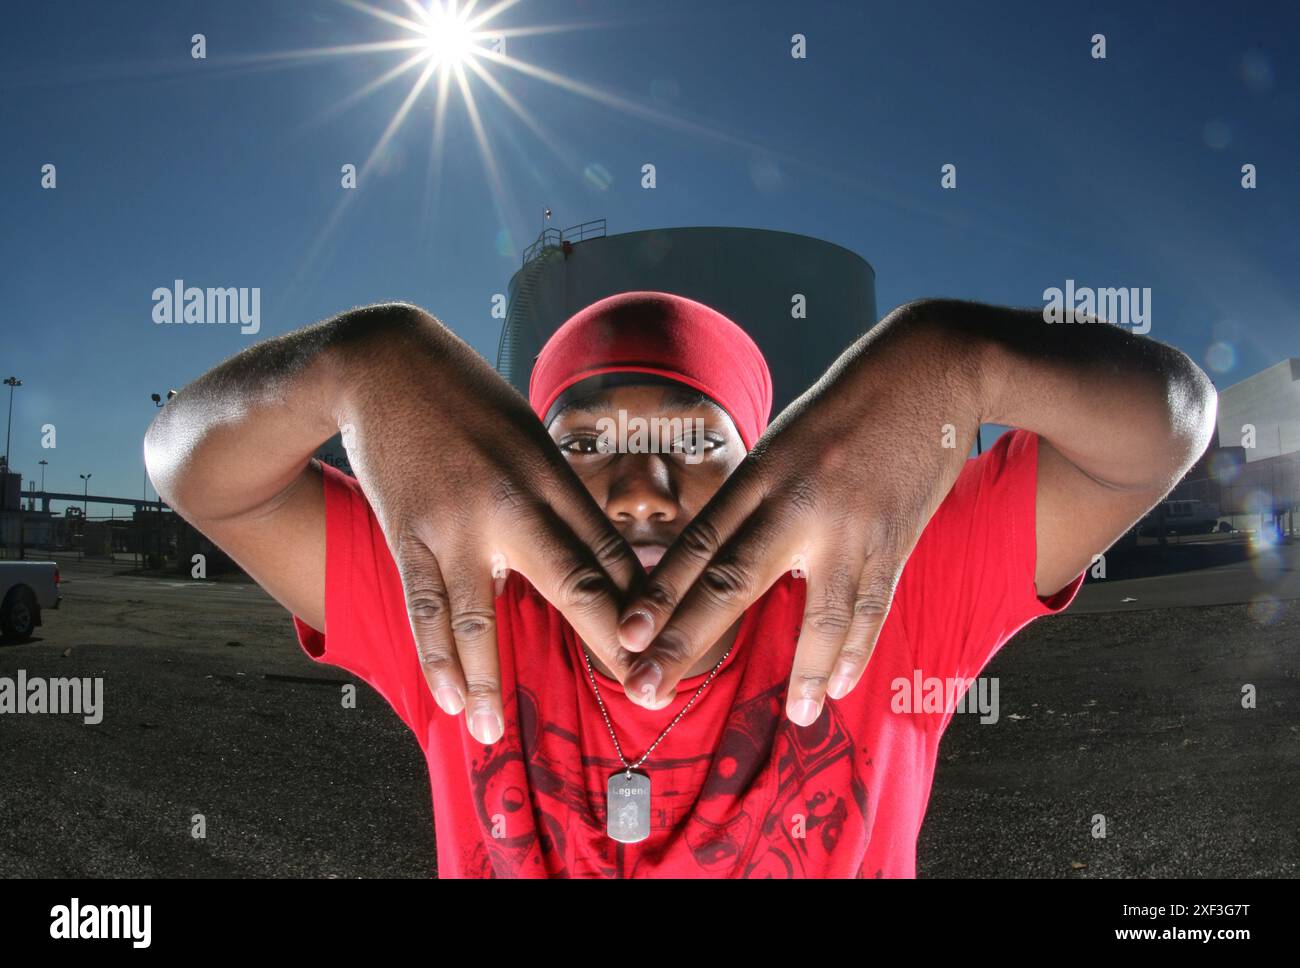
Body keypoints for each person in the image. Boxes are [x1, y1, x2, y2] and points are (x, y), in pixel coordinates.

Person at [144, 290, 1216, 877]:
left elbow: (1160, 428)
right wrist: (349, 360)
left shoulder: (874, 589)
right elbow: (197, 471)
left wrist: (969, 355)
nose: (645, 489)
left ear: (778, 469)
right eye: (584, 440)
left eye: (694, 442)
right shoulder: (464, 599)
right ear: (508, 473)